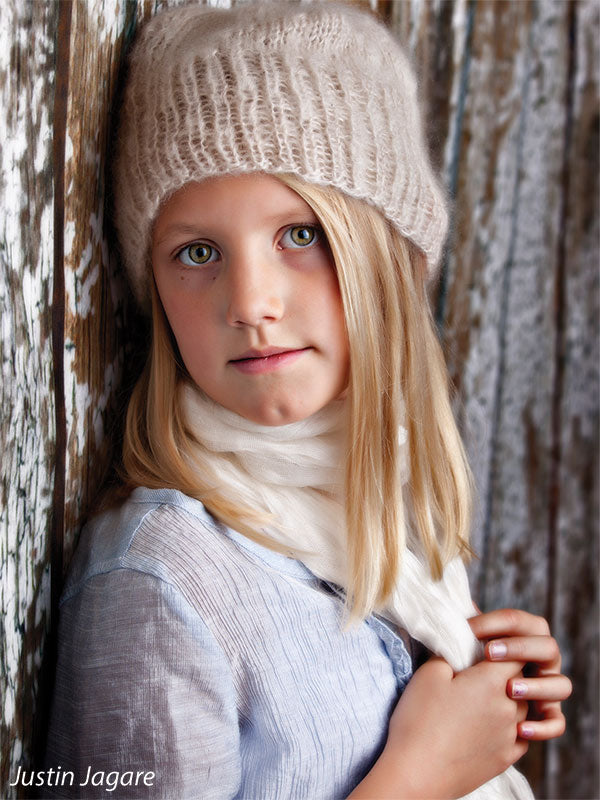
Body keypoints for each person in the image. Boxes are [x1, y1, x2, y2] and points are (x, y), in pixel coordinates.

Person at [44, 3, 571, 799]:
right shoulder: (158, 586)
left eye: (301, 234)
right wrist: (421, 778)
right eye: (196, 252)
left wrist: (479, 700)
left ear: (385, 257)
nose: (250, 302)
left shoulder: (390, 526)